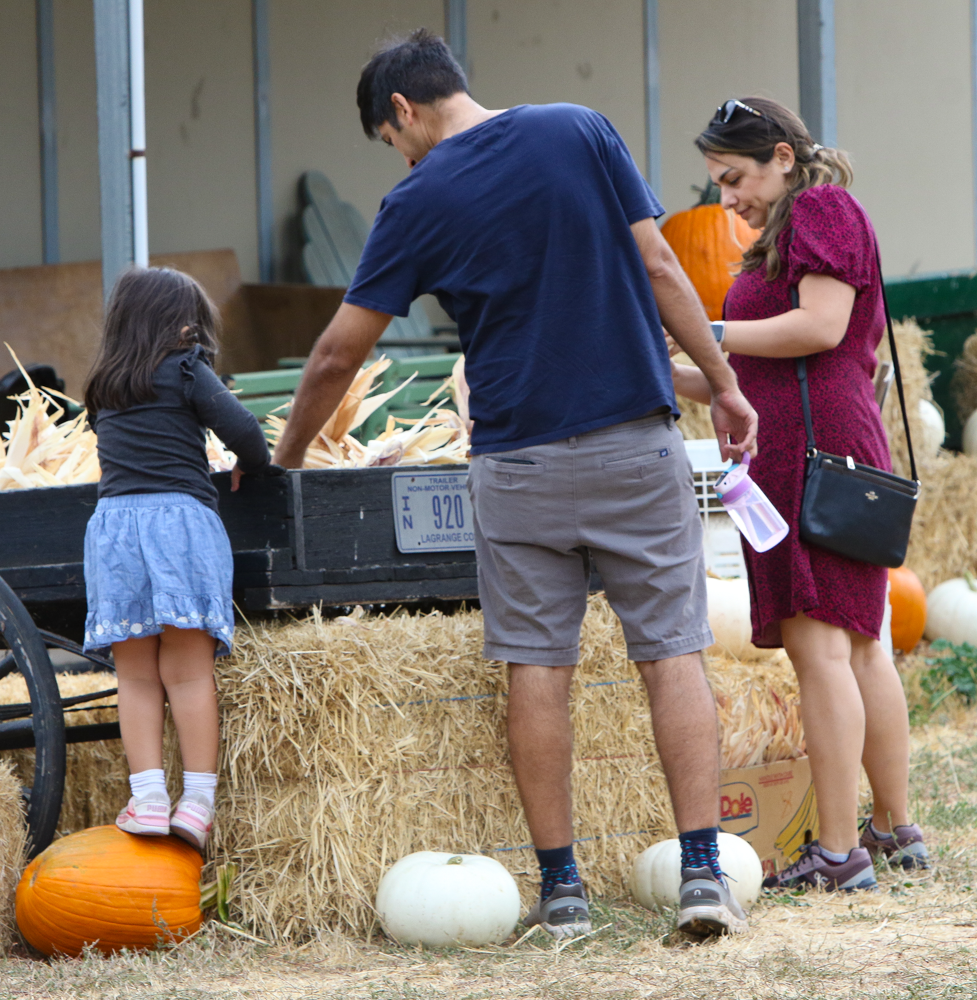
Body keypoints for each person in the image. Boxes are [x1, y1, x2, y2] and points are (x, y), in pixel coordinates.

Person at [273, 30, 759, 938]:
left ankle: (562, 892)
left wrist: (289, 455)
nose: (402, 153)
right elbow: (661, 266)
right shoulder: (579, 130)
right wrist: (724, 385)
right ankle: (702, 874)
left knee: (537, 666)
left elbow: (342, 349)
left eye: (393, 138)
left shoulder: (413, 199)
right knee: (672, 651)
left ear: (404, 112)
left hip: (519, 463)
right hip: (633, 445)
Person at [670, 97, 930, 891]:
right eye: (718, 183)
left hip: (814, 456)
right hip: (810, 449)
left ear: (783, 156)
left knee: (824, 648)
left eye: (735, 177)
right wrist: (664, 371)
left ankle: (839, 851)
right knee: (857, 645)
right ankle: (894, 830)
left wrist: (709, 333)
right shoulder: (792, 227)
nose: (727, 199)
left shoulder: (821, 207)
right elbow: (758, 363)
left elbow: (819, 326)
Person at [82, 266, 274, 851]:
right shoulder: (188, 369)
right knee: (188, 674)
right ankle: (196, 803)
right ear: (182, 325)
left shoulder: (104, 384)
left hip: (116, 531)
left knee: (135, 676)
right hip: (180, 527)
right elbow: (244, 430)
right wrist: (251, 462)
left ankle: (147, 799)